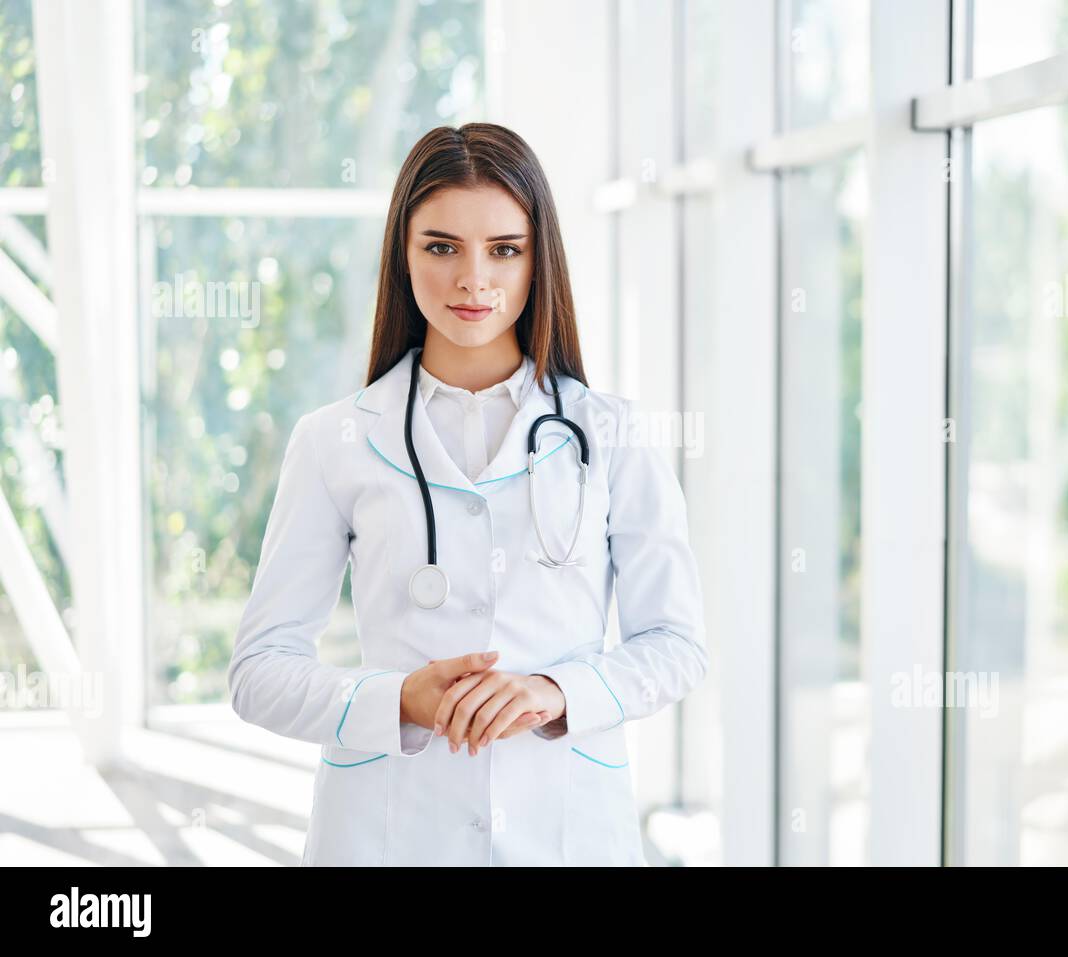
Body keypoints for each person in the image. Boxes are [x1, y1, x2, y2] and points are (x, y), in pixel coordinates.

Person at [227, 123, 708, 866]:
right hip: (386, 832)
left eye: (505, 250)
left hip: (568, 830)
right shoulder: (333, 442)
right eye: (442, 246)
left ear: (538, 258)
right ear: (403, 252)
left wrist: (557, 691)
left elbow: (676, 645)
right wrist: (399, 702)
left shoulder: (611, 434)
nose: (473, 280)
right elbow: (259, 671)